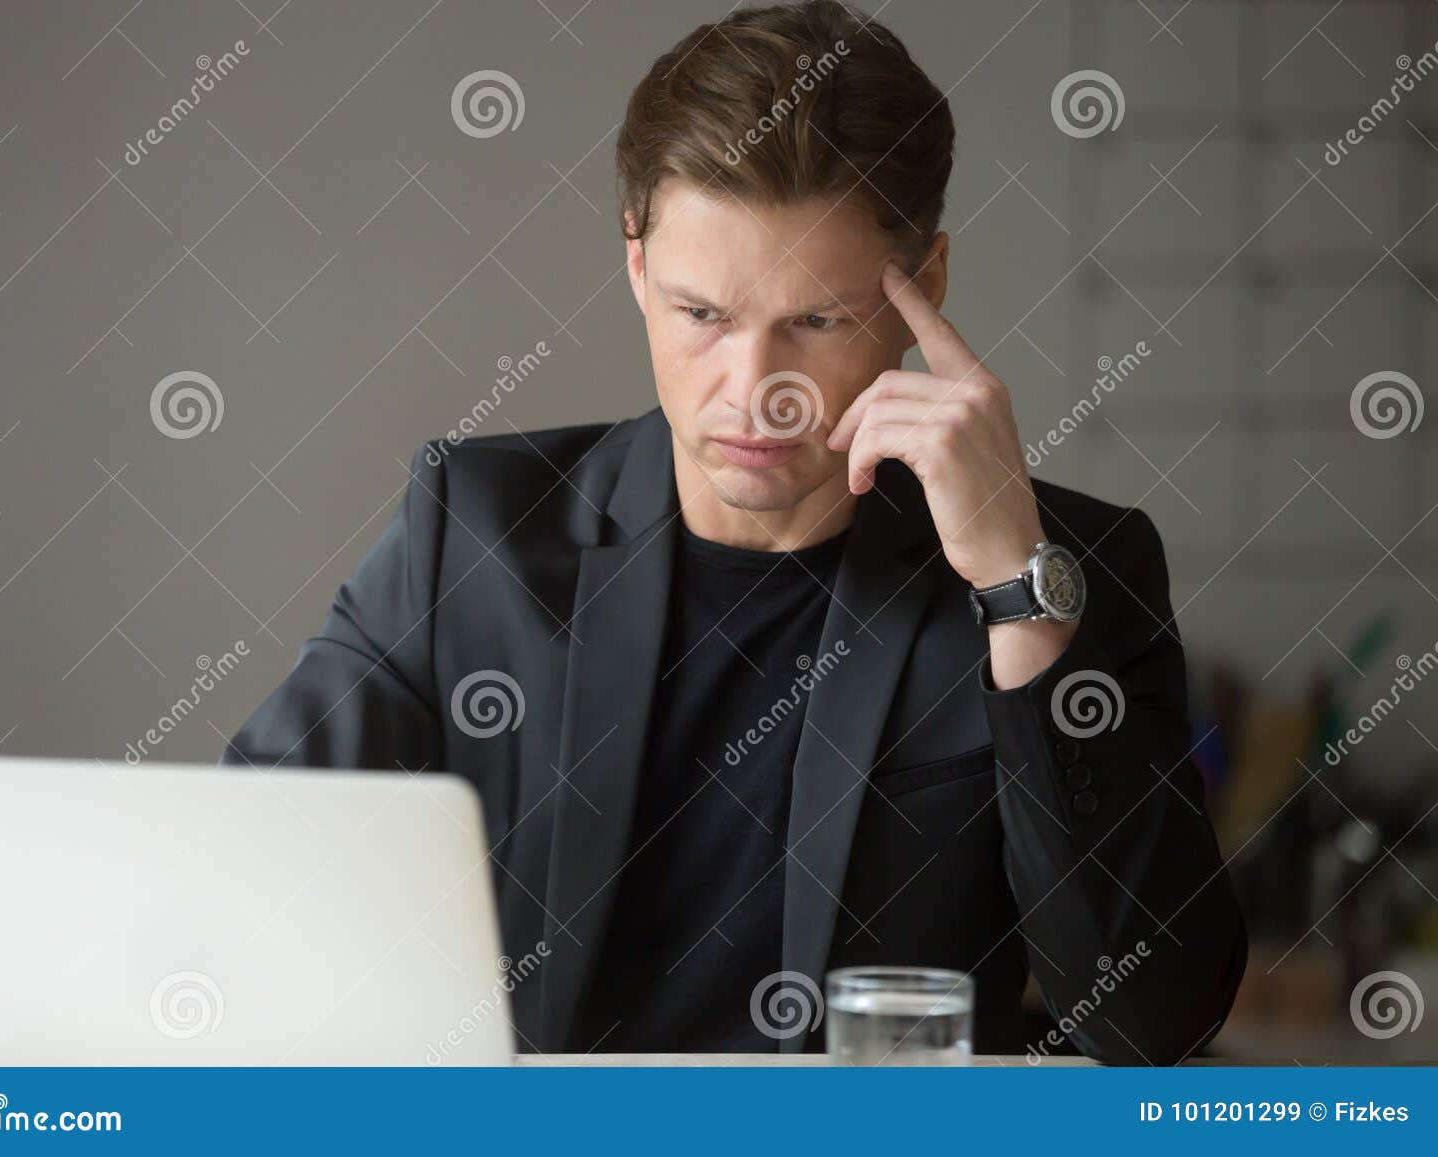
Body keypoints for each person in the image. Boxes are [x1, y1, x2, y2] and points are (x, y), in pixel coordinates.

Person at [224, 0, 1246, 1063]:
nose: (753, 391)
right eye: (702, 315)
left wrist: (1014, 593)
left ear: (921, 291)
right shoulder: (477, 529)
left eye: (815, 321)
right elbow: (249, 864)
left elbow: (1151, 1022)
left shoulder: (1065, 564)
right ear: (635, 267)